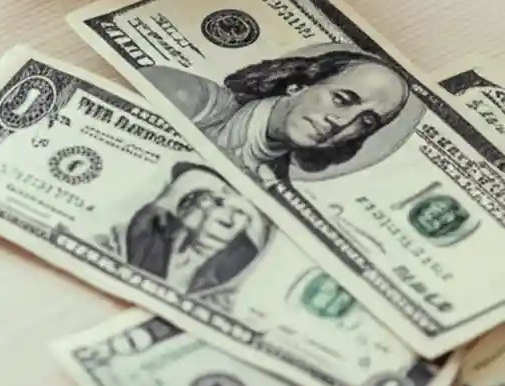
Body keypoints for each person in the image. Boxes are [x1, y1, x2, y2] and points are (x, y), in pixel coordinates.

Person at [144, 51, 409, 182]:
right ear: (298, 86)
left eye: (366, 122)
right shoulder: (192, 99)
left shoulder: (274, 186)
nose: (342, 122)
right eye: (342, 99)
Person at [124, 162, 268, 294]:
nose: (226, 219)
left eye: (241, 212)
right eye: (214, 202)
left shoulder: (233, 275)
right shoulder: (145, 239)